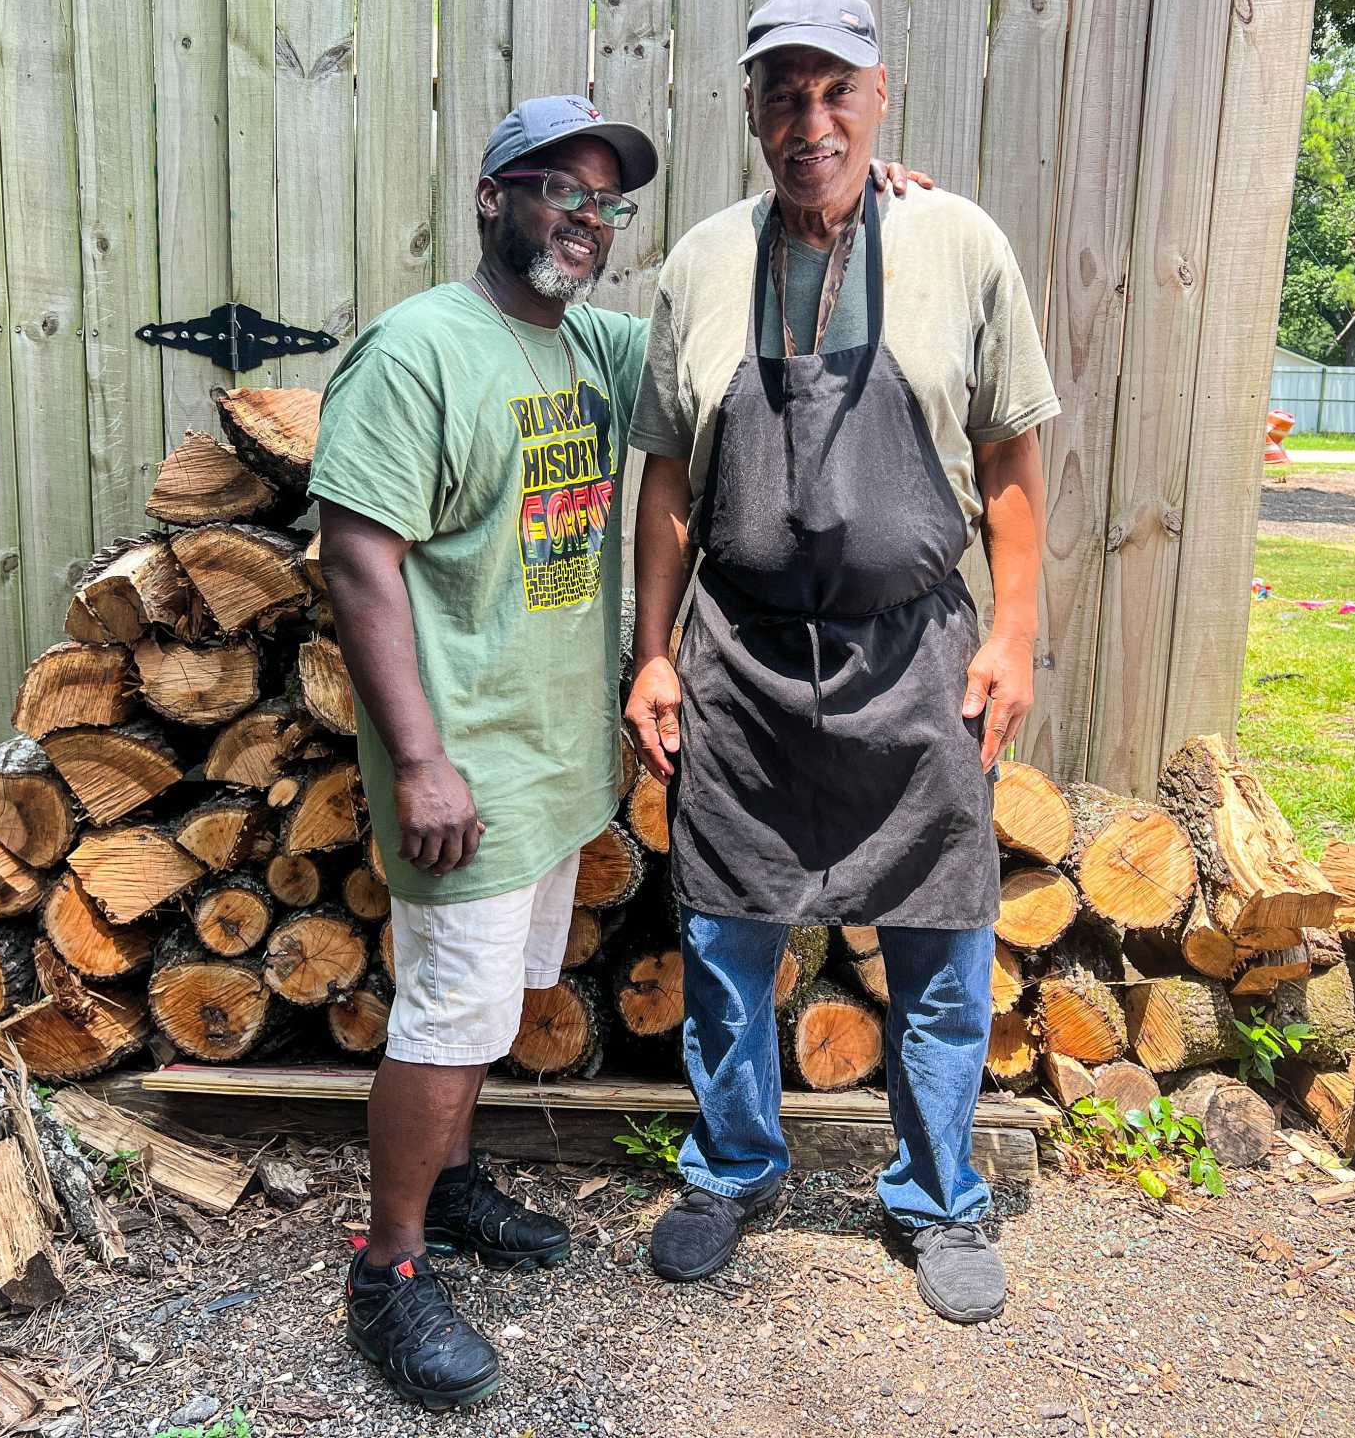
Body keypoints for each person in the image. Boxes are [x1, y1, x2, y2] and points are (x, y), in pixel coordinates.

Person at [311, 93, 930, 1409]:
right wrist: (418, 758)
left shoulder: (597, 350)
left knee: (486, 1010)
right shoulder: (417, 350)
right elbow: (358, 559)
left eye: (606, 203)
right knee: (441, 1019)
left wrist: (849, 221)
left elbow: (738, 324)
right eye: (555, 191)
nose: (583, 221)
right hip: (464, 767)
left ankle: (458, 1184)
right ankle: (391, 1273)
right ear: (492, 198)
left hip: (549, 767)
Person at [623, 0, 1057, 1326]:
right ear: (750, 109)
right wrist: (651, 652)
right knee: (724, 937)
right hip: (742, 662)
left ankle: (935, 1197)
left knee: (940, 940)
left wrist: (1018, 631)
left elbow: (1010, 458)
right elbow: (668, 486)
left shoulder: (961, 244)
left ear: (878, 98)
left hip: (917, 657)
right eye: (782, 91)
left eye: (834, 90)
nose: (809, 117)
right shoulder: (699, 262)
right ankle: (733, 1167)